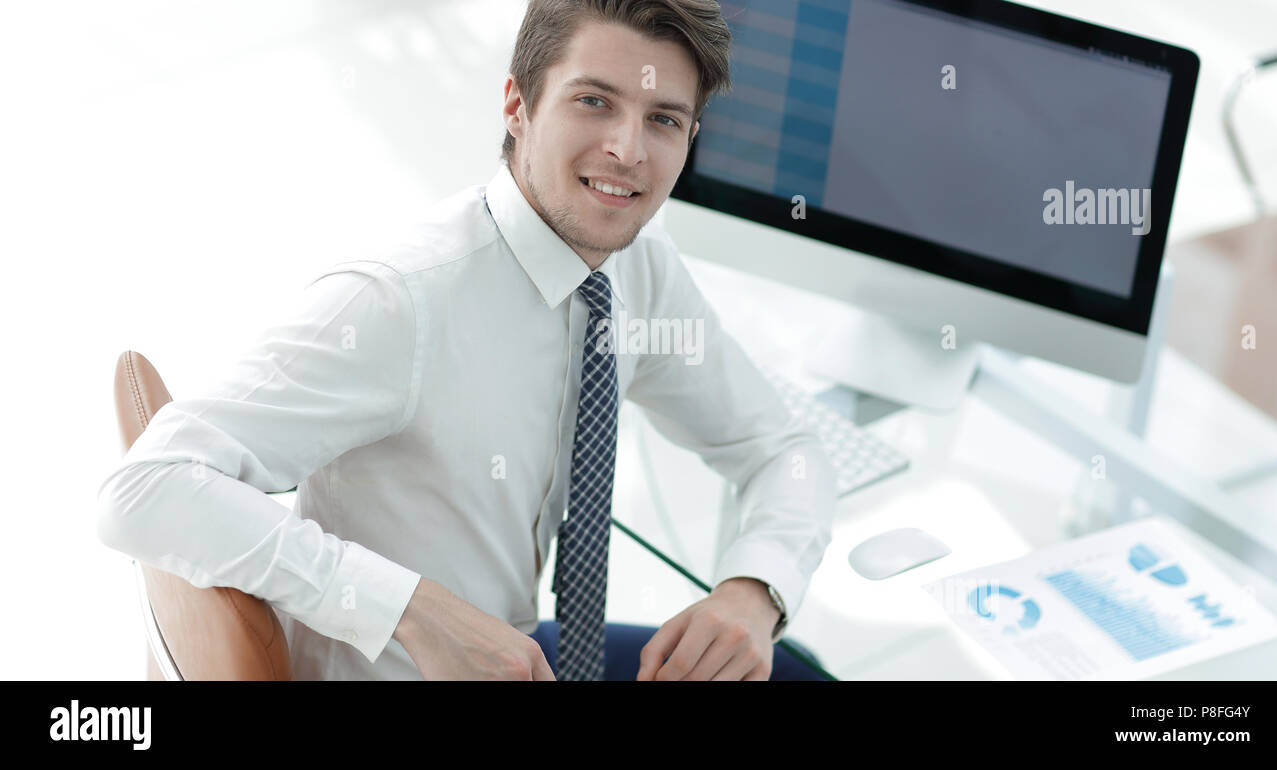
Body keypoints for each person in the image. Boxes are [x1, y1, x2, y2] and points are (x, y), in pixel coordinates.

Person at [97, 0, 836, 681]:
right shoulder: (401, 301)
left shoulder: (635, 269)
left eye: (663, 120)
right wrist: (409, 608)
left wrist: (752, 591)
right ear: (517, 104)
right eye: (594, 101)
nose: (627, 149)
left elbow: (784, 452)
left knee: (789, 666)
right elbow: (143, 489)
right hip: (401, 669)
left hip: (518, 656)